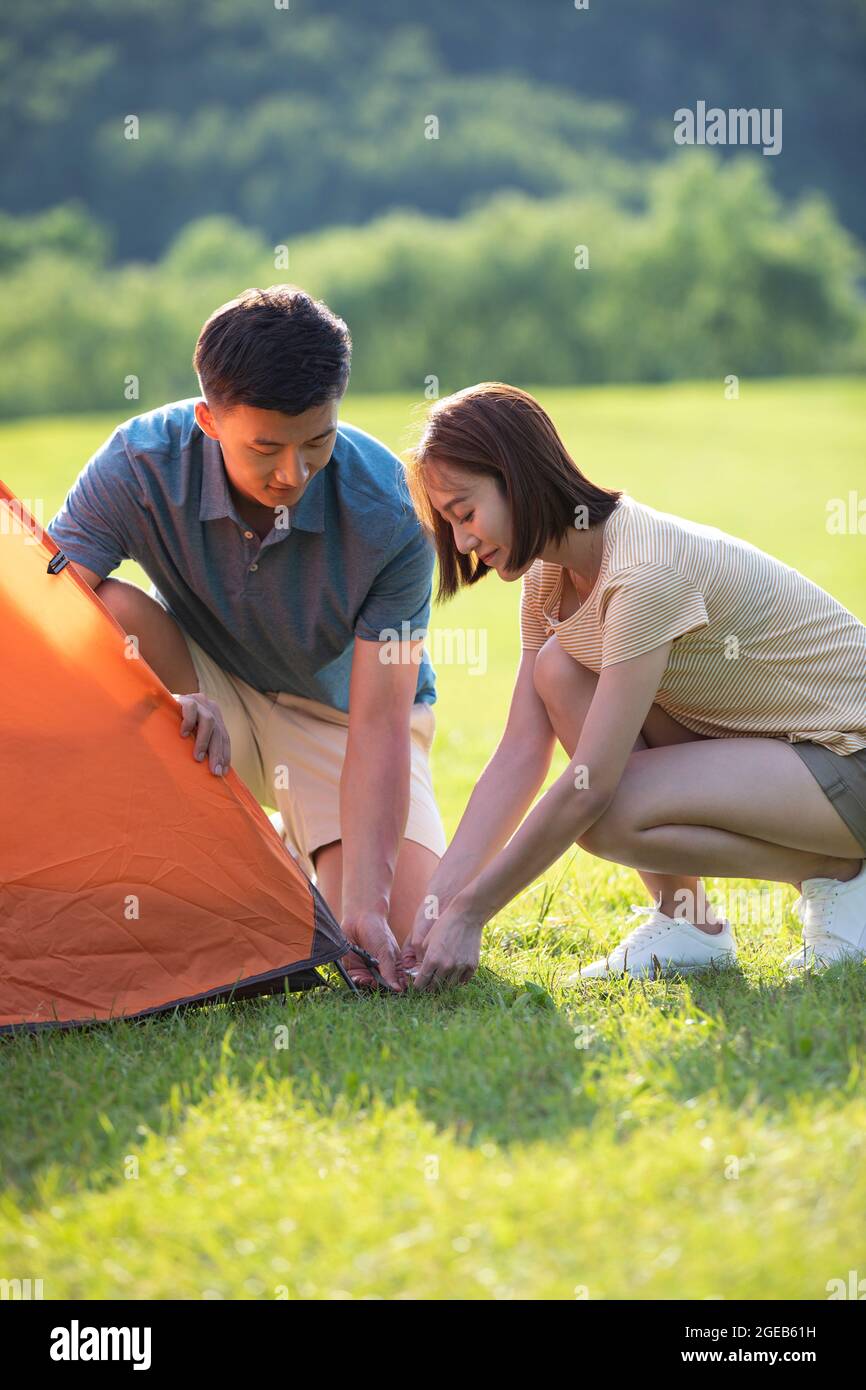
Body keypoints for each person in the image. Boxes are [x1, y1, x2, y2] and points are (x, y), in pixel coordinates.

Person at [399, 382, 866, 989]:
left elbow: (589, 789)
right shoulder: (549, 574)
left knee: (603, 812)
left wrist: (472, 912)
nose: (461, 541)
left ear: (517, 476)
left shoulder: (641, 573)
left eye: (465, 513)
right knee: (558, 672)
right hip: (786, 754)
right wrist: (434, 907)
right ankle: (687, 923)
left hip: (847, 757)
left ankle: (840, 871)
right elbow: (519, 754)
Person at [47, 285, 447, 990]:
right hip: (205, 688)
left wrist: (365, 904)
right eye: (266, 448)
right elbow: (45, 613)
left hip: (343, 712)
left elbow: (381, 718)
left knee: (408, 936)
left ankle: (303, 859)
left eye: (317, 443)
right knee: (102, 605)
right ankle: (201, 853)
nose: (292, 474)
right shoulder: (137, 464)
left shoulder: (392, 513)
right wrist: (165, 697)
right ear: (208, 420)